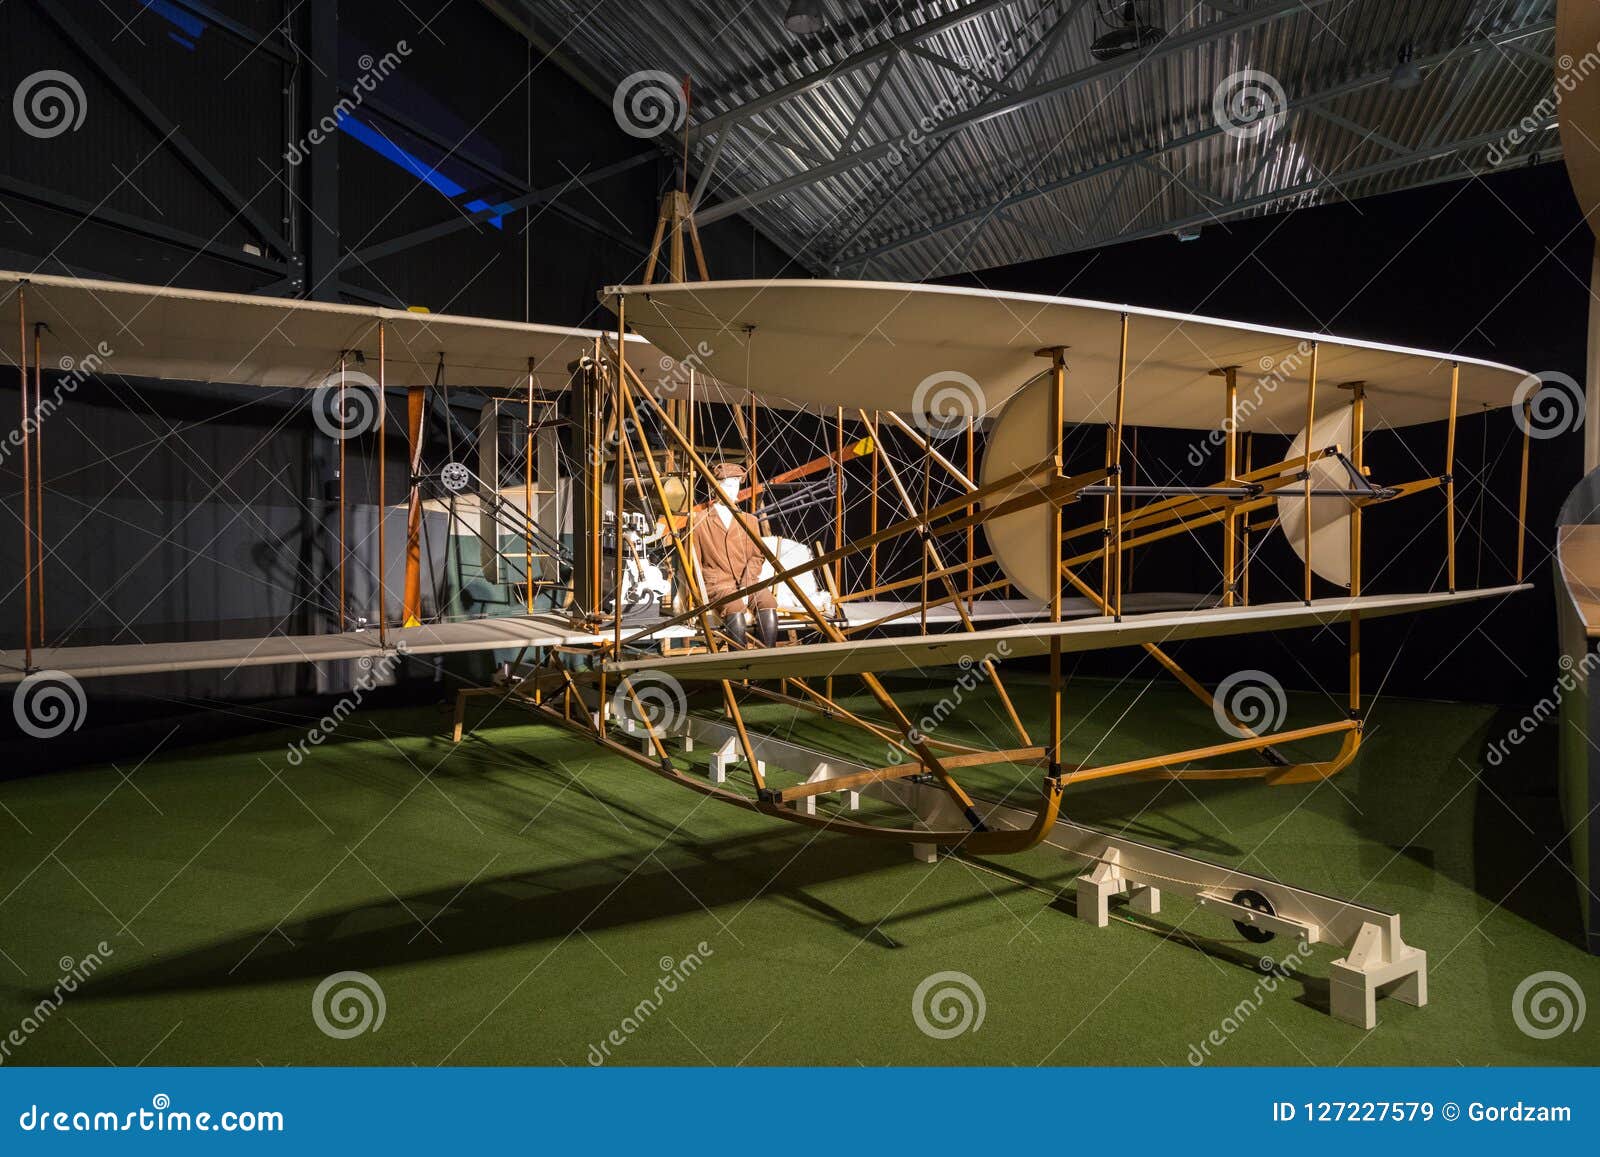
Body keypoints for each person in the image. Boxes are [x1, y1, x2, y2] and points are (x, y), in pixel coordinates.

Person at [691, 461, 778, 646]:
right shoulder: (700, 521)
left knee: (767, 602)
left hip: (747, 581)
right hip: (717, 584)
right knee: (735, 606)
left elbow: (757, 556)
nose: (732, 491)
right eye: (727, 485)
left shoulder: (750, 521)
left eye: (736, 485)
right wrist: (698, 593)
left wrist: (746, 585)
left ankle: (768, 656)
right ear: (715, 487)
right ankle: (739, 660)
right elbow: (694, 562)